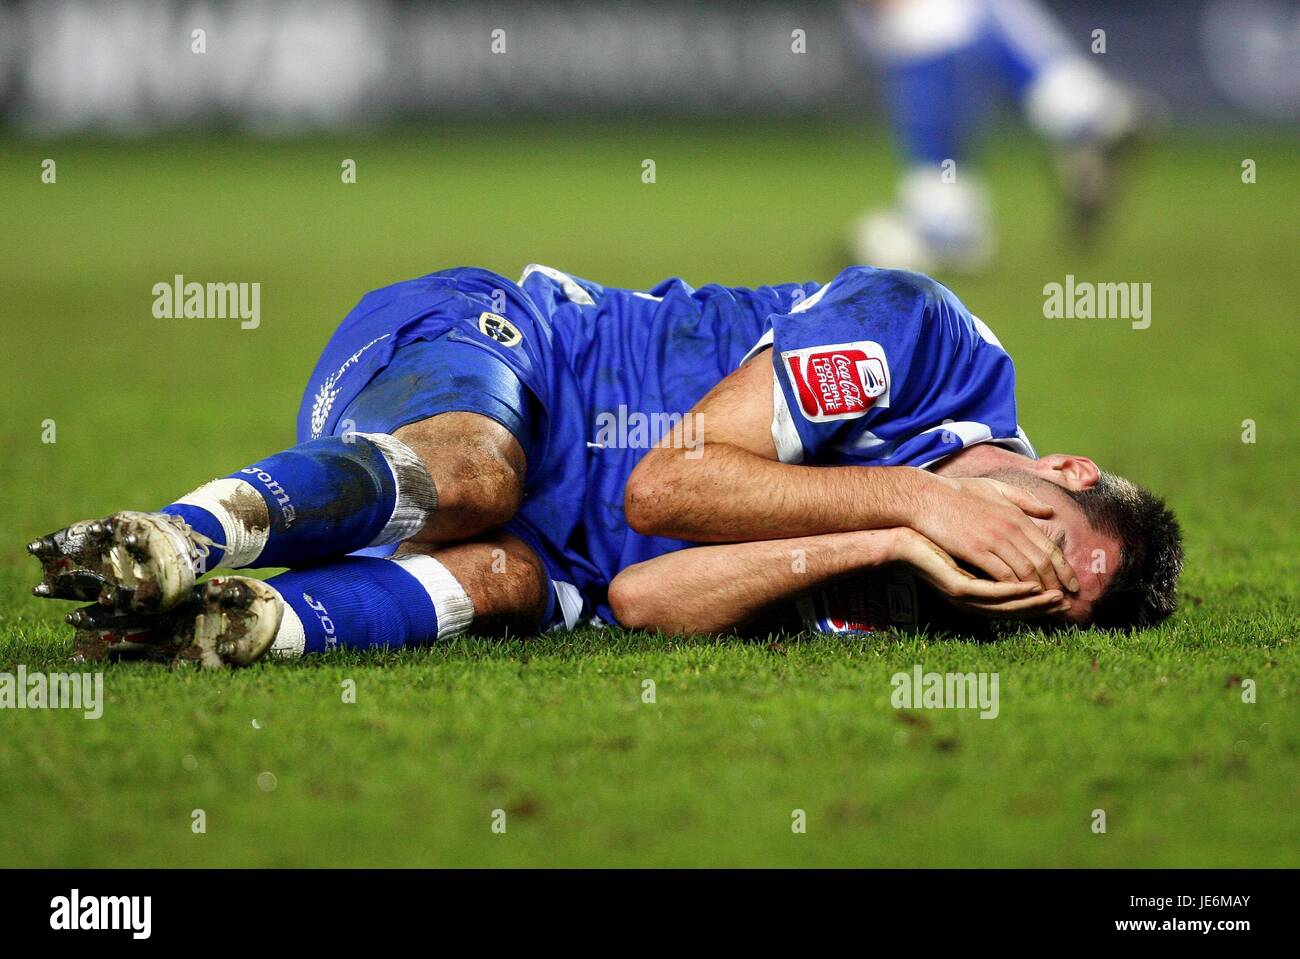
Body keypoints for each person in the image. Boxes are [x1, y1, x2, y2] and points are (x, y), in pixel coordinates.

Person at [27, 264, 1181, 666]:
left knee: (509, 587)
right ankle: (175, 534)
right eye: (1041, 538)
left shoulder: (926, 588)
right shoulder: (927, 337)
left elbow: (641, 591)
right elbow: (664, 488)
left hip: (563, 553)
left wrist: (882, 539)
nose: (1012, 565)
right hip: (501, 352)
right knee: (478, 476)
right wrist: (922, 497)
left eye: (1044, 594)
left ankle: (205, 627)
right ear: (1061, 468)